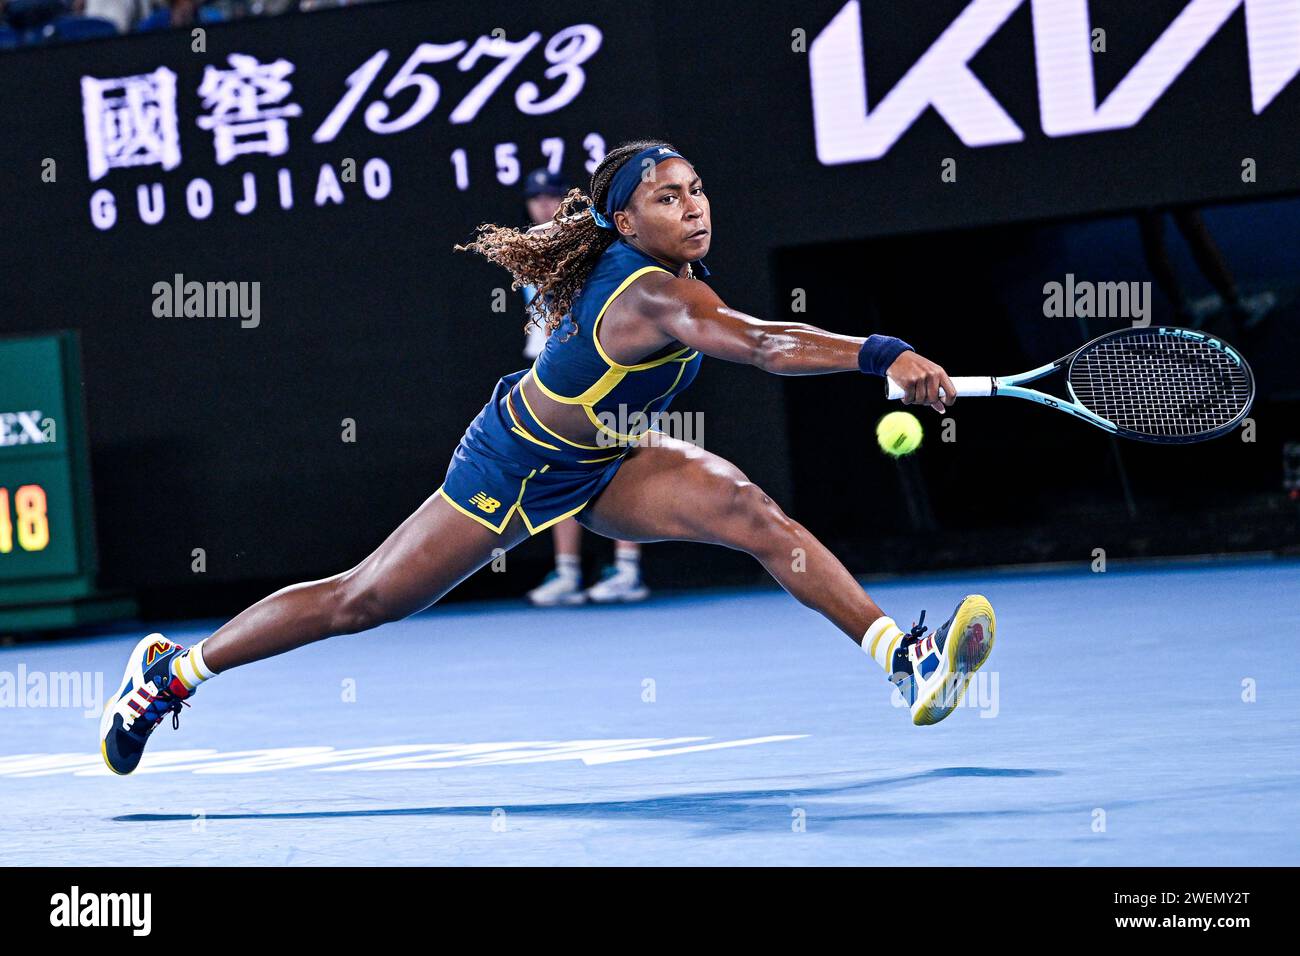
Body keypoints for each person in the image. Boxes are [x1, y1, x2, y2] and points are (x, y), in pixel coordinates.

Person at [98, 139, 996, 776]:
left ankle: (901, 656)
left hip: (604, 462)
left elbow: (752, 340)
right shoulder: (651, 296)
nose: (693, 206)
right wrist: (884, 354)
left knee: (755, 515)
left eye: (697, 189)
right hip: (509, 466)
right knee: (361, 600)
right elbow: (763, 346)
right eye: (667, 197)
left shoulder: (672, 280)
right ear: (624, 218)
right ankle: (170, 674)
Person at [519, 168, 649, 605]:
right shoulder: (533, 245)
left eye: (550, 195)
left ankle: (628, 572)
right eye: (535, 197)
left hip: (605, 372)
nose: (542, 204)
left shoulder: (593, 240)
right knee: (559, 470)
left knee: (626, 462)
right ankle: (568, 574)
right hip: (553, 375)